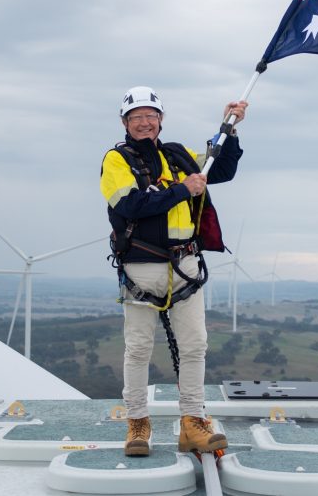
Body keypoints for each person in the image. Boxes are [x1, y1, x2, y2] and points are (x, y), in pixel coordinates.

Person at [99, 86, 246, 457]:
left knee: (195, 345)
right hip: (142, 268)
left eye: (150, 116)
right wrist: (182, 189)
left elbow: (220, 168)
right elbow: (131, 205)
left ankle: (192, 423)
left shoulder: (179, 155)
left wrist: (229, 128)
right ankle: (137, 424)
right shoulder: (117, 161)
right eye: (136, 118)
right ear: (124, 123)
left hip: (185, 265)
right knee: (138, 349)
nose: (144, 123)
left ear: (161, 120)